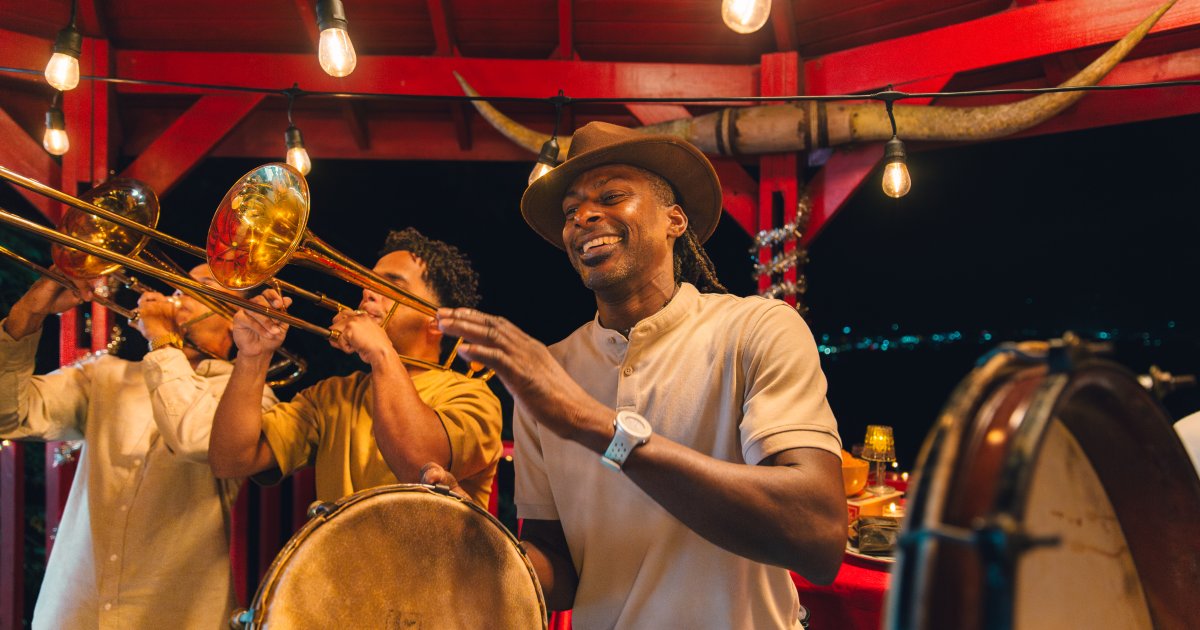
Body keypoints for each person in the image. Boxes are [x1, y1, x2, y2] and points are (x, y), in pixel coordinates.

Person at [426, 122, 846, 628]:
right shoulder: (549, 372)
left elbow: (819, 538)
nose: (583, 215)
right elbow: (562, 570)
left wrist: (596, 427)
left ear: (675, 219)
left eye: (612, 195)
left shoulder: (755, 328)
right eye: (570, 210)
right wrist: (478, 541)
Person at [0, 263, 276, 629]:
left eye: (205, 286)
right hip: (72, 613)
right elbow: (10, 416)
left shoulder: (252, 398)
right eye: (182, 285)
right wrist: (28, 313)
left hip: (179, 617)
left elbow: (197, 438)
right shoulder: (105, 376)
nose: (180, 291)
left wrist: (162, 339)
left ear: (237, 321)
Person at [209, 228, 503, 507]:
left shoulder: (475, 397)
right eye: (367, 281)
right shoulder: (332, 395)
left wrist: (381, 352)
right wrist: (253, 357)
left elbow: (421, 468)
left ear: (437, 322)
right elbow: (231, 460)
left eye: (390, 285)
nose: (367, 292)